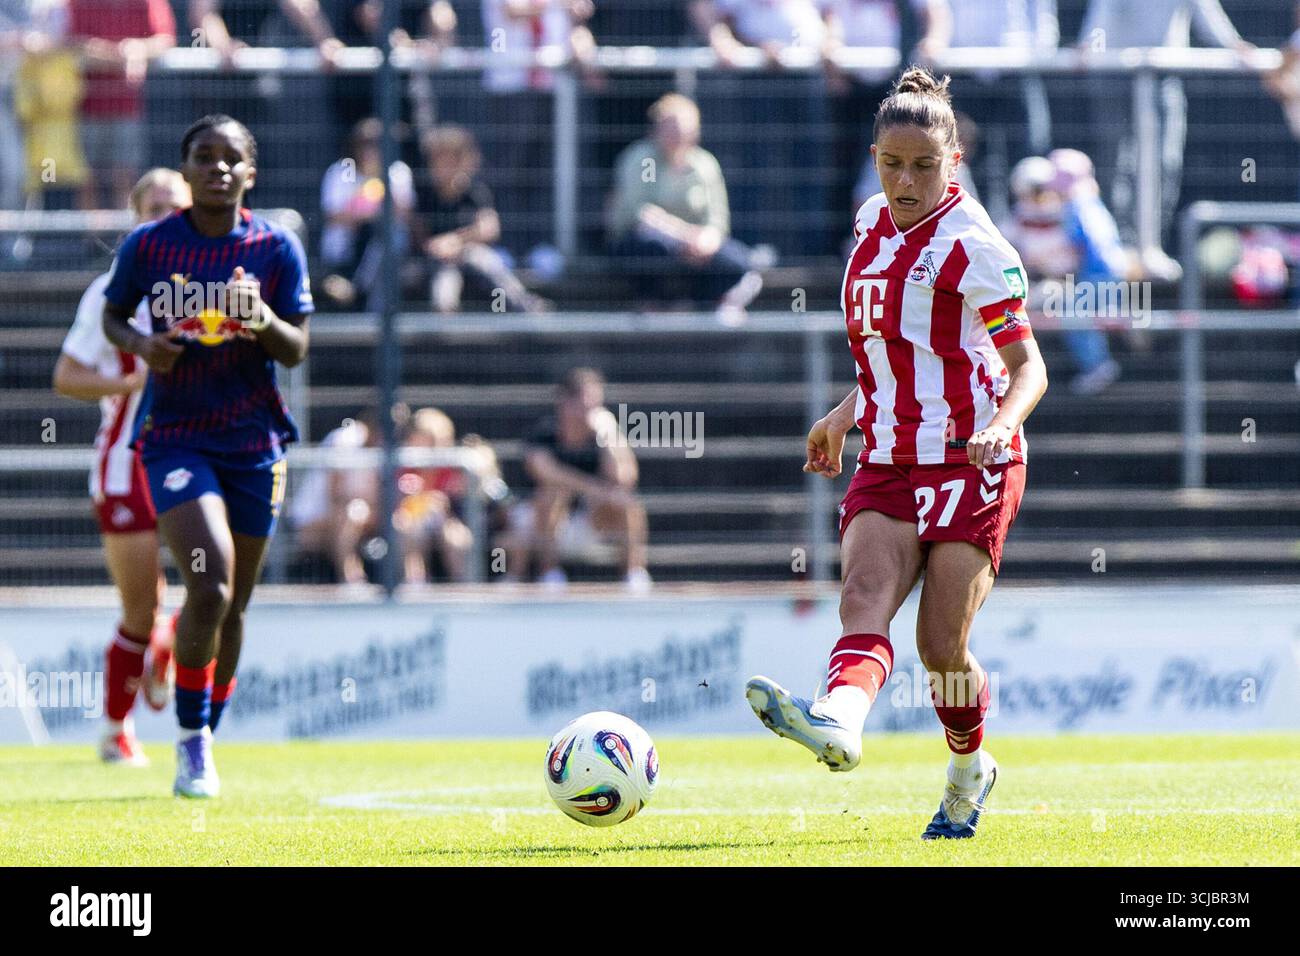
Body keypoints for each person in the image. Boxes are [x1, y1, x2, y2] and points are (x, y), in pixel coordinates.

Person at [745, 68, 1048, 840]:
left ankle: (968, 769)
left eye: (923, 165)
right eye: (892, 163)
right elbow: (892, 350)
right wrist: (845, 415)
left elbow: (1028, 368)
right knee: (864, 595)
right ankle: (839, 722)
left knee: (940, 645)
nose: (905, 180)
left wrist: (1000, 426)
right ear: (874, 158)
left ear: (954, 161)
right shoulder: (870, 224)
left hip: (970, 458)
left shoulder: (974, 245)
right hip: (886, 450)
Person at [101, 114, 313, 798]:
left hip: (253, 441)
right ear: (185, 169)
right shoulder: (150, 246)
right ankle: (191, 745)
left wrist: (260, 319)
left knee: (235, 607)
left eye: (232, 159)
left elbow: (296, 348)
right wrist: (140, 345)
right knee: (210, 583)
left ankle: (206, 730)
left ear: (251, 173)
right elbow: (113, 313)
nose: (218, 168)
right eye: (204, 156)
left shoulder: (275, 248)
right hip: (177, 439)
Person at [52, 167, 188, 766]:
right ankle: (114, 730)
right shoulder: (112, 288)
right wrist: (132, 378)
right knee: (138, 606)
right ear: (135, 216)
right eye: (152, 206)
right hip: (127, 462)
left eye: (173, 206)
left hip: (198, 453)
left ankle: (165, 644)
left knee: (217, 586)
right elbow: (67, 376)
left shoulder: (214, 282)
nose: (163, 216)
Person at [1078, 0, 1253, 257]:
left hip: (1164, 75)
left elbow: (1206, 12)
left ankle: (1151, 247)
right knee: (1116, 165)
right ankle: (1119, 249)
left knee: (1166, 162)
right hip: (1113, 71)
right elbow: (1102, 13)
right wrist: (1089, 45)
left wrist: (1234, 44)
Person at [607, 93, 772, 323]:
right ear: (657, 127)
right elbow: (641, 213)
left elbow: (717, 218)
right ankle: (654, 304)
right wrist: (682, 237)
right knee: (653, 251)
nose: (677, 134)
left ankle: (704, 305)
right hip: (646, 240)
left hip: (694, 245)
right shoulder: (644, 159)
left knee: (738, 262)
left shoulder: (704, 164)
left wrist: (706, 240)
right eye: (671, 126)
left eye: (683, 127)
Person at [509, 367, 650, 592]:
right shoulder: (544, 434)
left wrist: (610, 436)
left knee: (627, 504)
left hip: (590, 521)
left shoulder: (604, 434)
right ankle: (548, 575)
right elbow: (545, 472)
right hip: (542, 525)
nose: (591, 408)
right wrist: (593, 487)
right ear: (565, 401)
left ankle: (633, 576)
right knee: (552, 495)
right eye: (586, 400)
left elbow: (625, 478)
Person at [417, 124, 548, 314]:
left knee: (489, 261)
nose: (442, 167)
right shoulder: (424, 194)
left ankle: (514, 307)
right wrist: (436, 246)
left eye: (449, 160)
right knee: (445, 279)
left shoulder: (475, 192)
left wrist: (456, 241)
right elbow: (418, 232)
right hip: (436, 260)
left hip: (470, 254)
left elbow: (490, 229)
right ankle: (445, 322)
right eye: (437, 160)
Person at [66, 0, 176, 211]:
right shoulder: (78, 3)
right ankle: (92, 242)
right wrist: (113, 55)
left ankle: (125, 238)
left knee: (124, 176)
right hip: (83, 108)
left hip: (127, 108)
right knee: (87, 179)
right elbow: (70, 41)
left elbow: (164, 39)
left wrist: (137, 48)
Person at [319, 116, 415, 308]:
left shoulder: (398, 171)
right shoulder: (343, 169)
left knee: (385, 239)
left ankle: (356, 288)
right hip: (346, 249)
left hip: (388, 250)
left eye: (378, 144)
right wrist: (366, 188)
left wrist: (380, 178)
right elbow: (334, 215)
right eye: (366, 144)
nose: (372, 150)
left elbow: (404, 214)